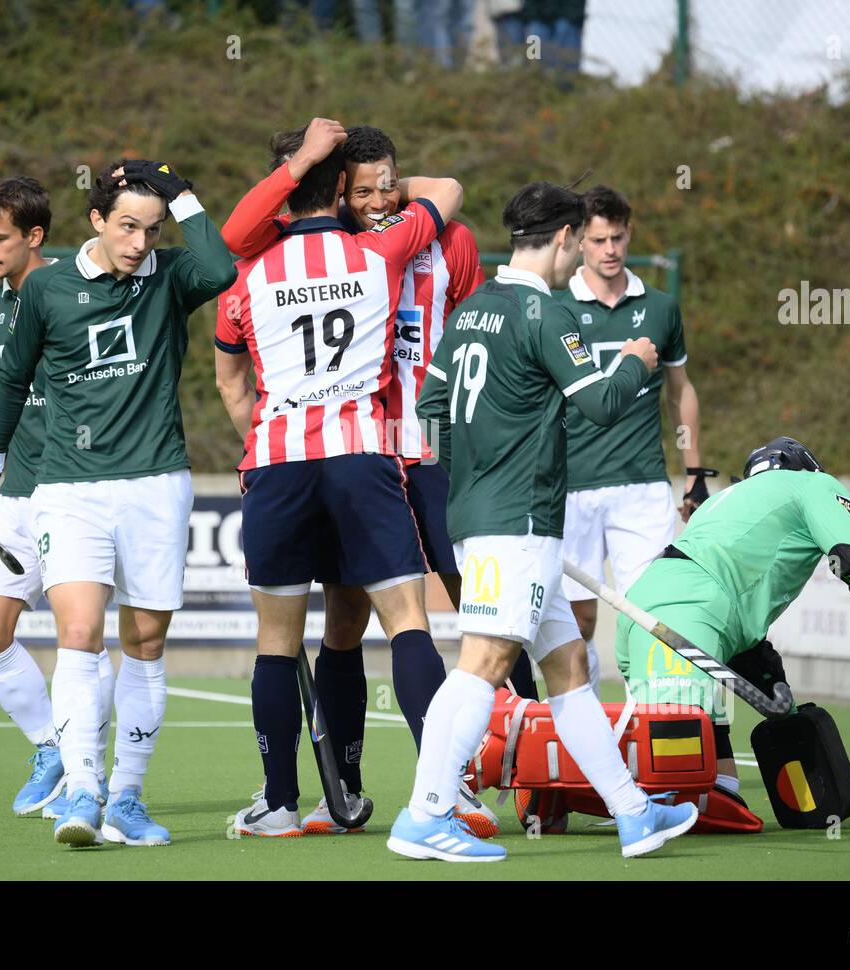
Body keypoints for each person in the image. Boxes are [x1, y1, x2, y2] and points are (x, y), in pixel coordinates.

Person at [392, 182, 697, 861]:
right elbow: (605, 405)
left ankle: (632, 810)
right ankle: (426, 814)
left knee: (566, 670)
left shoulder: (473, 308)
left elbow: (432, 408)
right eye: (580, 241)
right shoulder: (544, 313)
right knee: (484, 663)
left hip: (486, 513)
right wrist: (635, 359)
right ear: (564, 239)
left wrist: (481, 461)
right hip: (516, 520)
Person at [219, 120, 508, 836]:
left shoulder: (249, 272)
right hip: (364, 454)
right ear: (342, 189)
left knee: (276, 644)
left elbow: (234, 240)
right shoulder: (379, 250)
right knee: (409, 623)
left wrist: (313, 166)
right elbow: (447, 192)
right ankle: (445, 789)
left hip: (279, 463)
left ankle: (278, 803)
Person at [0, 159, 237, 848]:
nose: (139, 242)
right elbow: (8, 388)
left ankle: (128, 798)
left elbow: (223, 267)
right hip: (69, 489)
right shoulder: (48, 289)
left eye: (150, 228)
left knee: (145, 643)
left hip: (156, 483)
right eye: (126, 227)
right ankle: (81, 790)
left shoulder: (171, 276)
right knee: (80, 633)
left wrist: (181, 192)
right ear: (95, 221)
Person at [615, 437, 850, 810]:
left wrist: (775, 690)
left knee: (719, 786)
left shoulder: (722, 503)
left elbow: (735, 627)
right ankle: (583, 775)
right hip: (685, 612)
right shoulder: (812, 485)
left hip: (649, 606)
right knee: (671, 786)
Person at [0, 177, 115, 819]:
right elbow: (5, 404)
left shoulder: (76, 294)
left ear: (35, 237)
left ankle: (91, 775)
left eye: (0, 238)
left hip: (74, 494)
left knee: (78, 637)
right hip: (13, 498)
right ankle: (51, 748)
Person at [555, 185, 709, 692]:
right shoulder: (554, 309)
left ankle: (656, 730)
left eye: (617, 237)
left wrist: (694, 474)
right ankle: (585, 735)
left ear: (629, 234)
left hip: (641, 488)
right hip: (569, 488)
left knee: (651, 614)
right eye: (598, 239)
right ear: (579, 241)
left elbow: (680, 392)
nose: (610, 249)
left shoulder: (662, 308)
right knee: (576, 624)